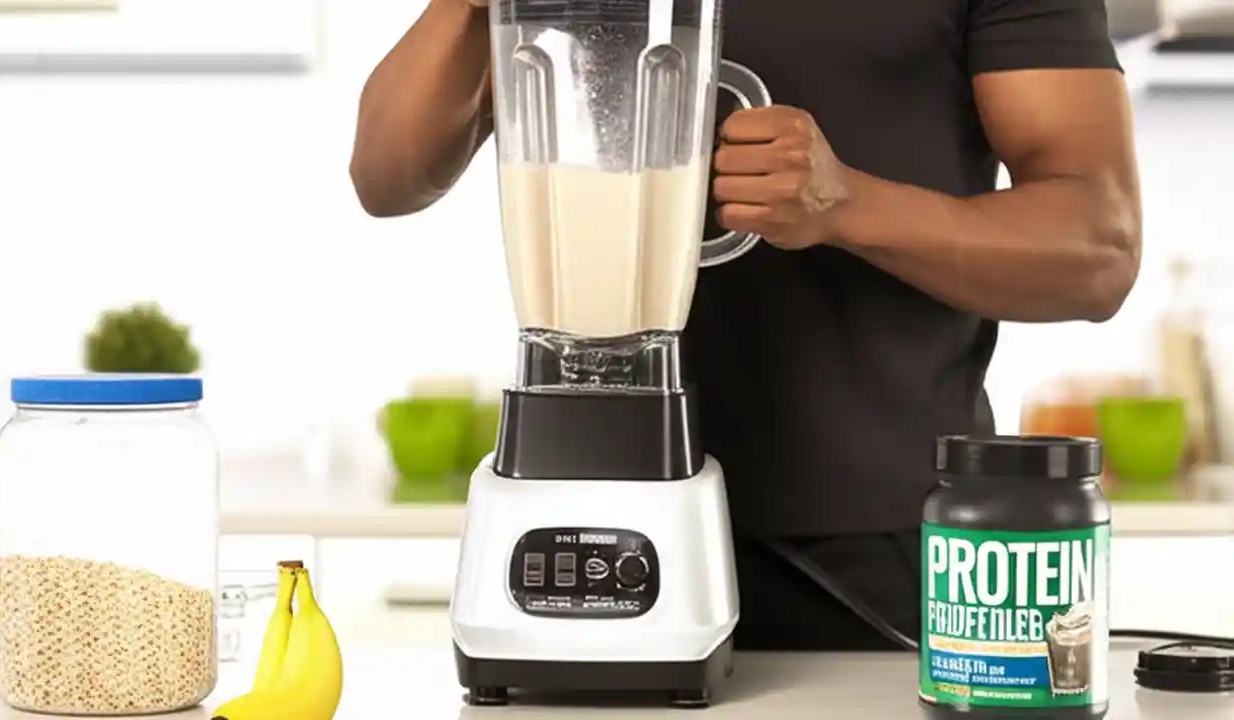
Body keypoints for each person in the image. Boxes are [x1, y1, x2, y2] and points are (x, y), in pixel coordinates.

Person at [349, 0, 1142, 651]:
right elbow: (387, 175)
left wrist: (850, 204)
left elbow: (1097, 248)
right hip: (590, 524)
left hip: (887, 556)